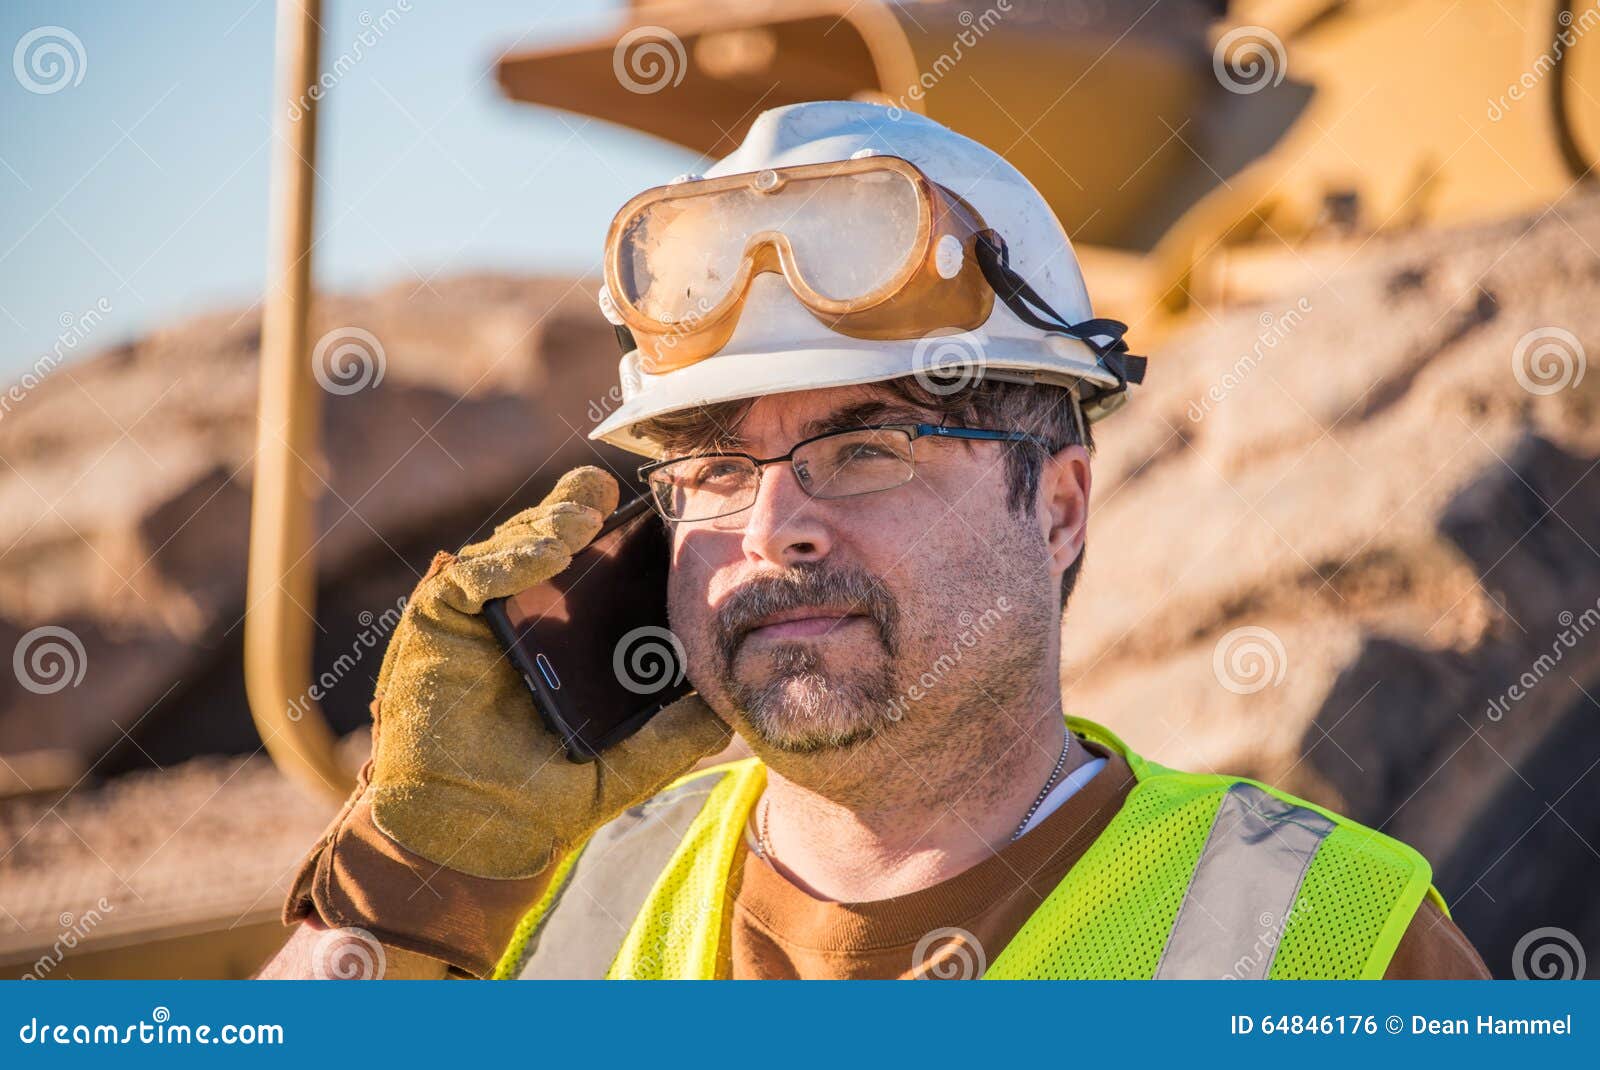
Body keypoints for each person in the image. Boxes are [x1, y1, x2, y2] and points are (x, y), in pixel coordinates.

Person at [260, 100, 1488, 980]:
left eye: (865, 451)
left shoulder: (1330, 945)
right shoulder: (537, 909)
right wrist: (412, 872)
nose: (776, 526)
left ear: (1059, 507)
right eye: (716, 470)